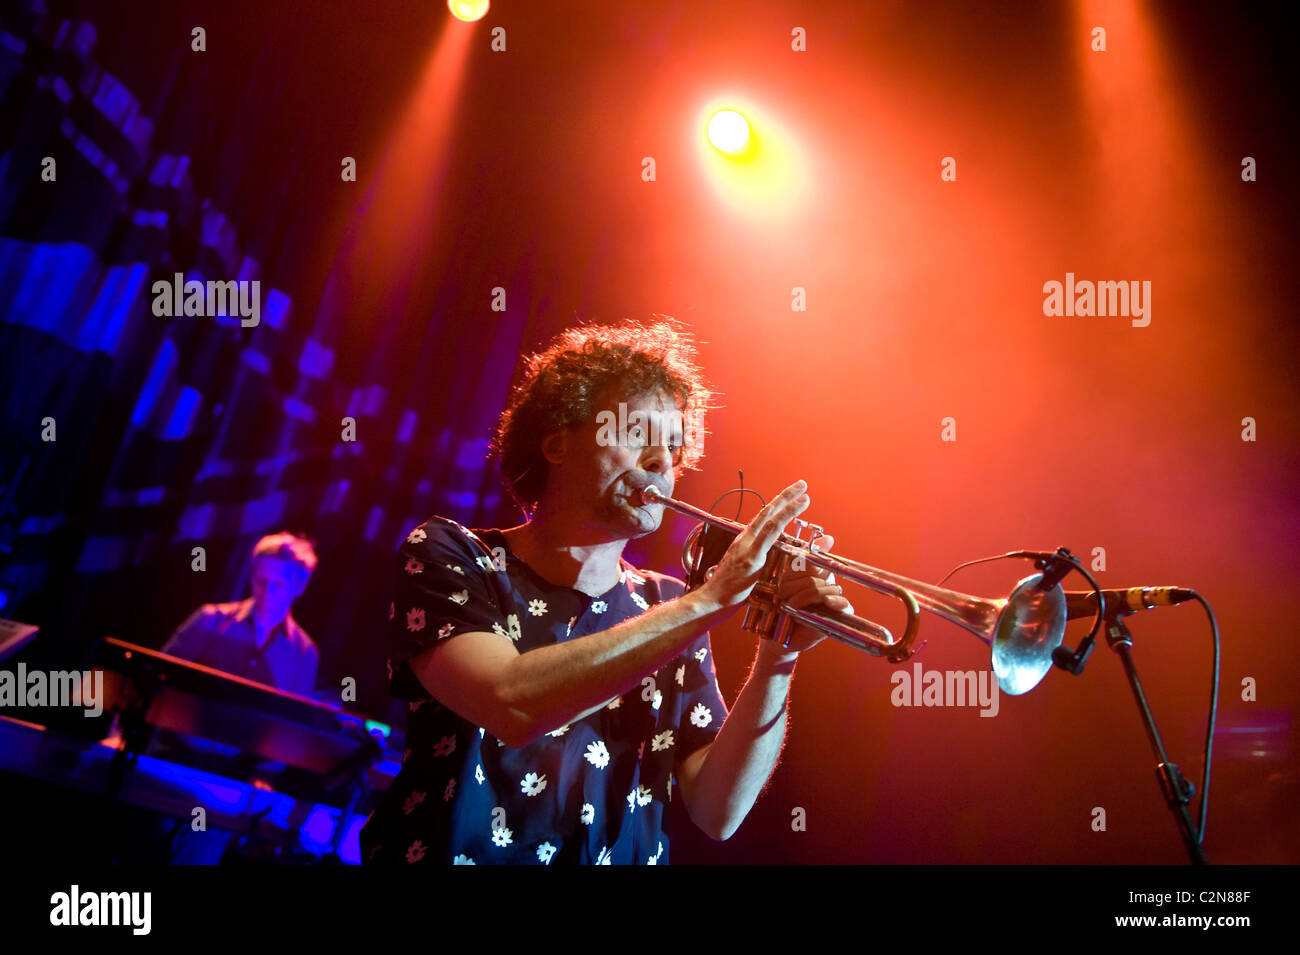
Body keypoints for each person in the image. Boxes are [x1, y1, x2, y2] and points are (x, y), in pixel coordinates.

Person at [359, 319, 851, 865]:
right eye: (638, 435)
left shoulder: (668, 606)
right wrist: (709, 601)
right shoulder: (454, 555)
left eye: (673, 452)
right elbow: (510, 705)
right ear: (556, 440)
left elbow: (719, 811)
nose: (662, 464)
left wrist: (777, 658)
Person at [162, 531, 320, 697]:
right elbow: (159, 675)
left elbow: (291, 719)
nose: (268, 591)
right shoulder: (209, 619)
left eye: (279, 584)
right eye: (262, 580)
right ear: (252, 577)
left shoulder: (304, 653)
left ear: (299, 587)